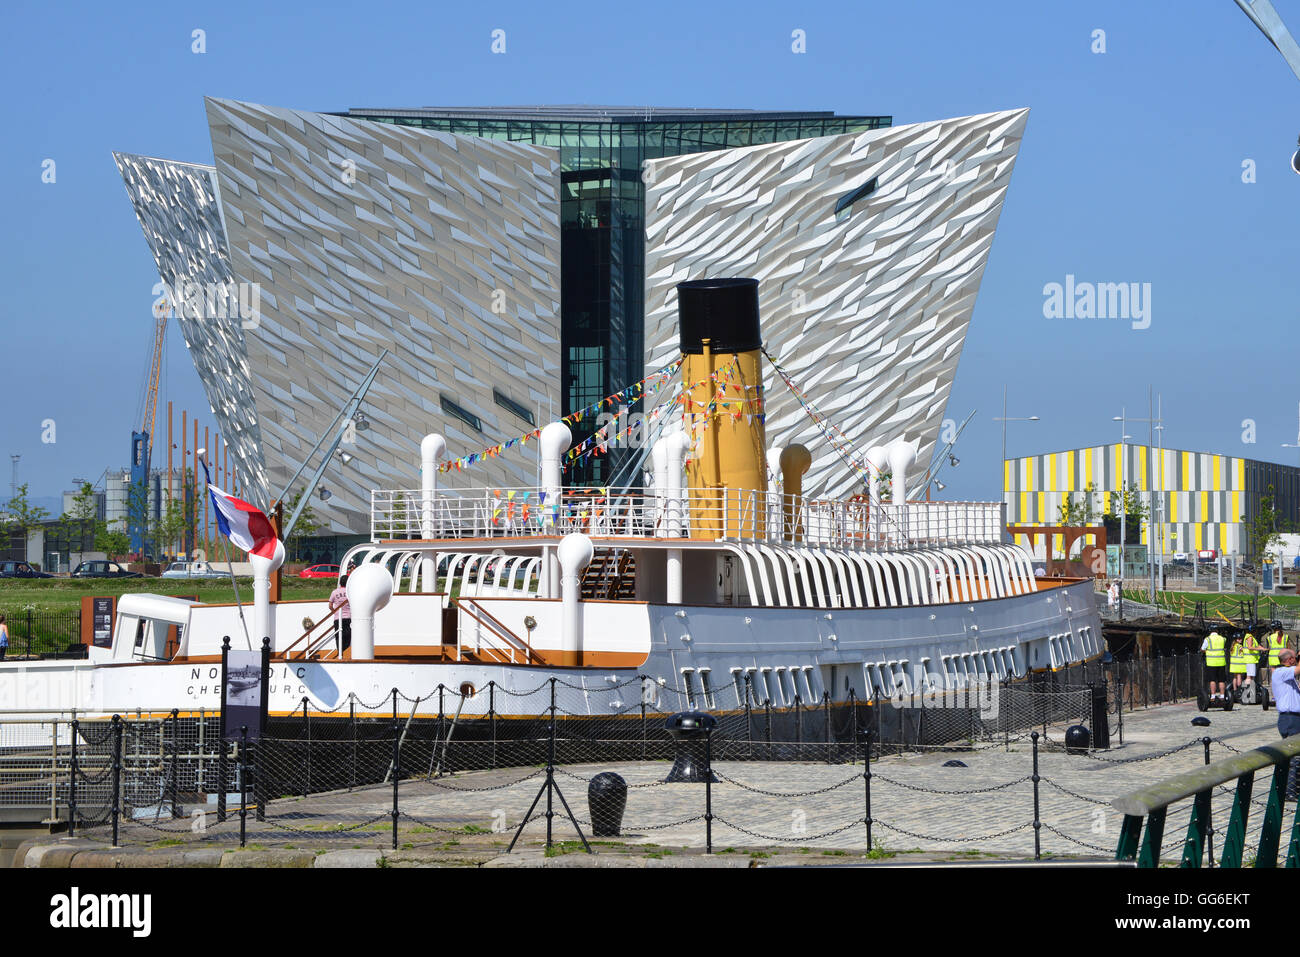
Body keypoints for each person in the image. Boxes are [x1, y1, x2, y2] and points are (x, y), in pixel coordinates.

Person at [1270, 648, 1300, 798]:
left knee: (1296, 753)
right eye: (1295, 658)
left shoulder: (1286, 674)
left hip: (1294, 717)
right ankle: (1289, 791)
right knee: (1294, 755)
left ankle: (1293, 788)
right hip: (1290, 718)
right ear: (1290, 660)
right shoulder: (1281, 672)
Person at [1201, 627, 1228, 701]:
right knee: (1221, 680)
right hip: (1221, 662)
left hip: (1211, 663)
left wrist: (1208, 652)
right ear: (1217, 631)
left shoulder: (1208, 639)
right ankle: (1222, 696)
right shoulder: (1223, 638)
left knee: (1212, 680)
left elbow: (1202, 649)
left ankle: (1213, 696)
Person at [329, 574, 351, 655]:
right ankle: (346, 652)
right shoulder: (350, 592)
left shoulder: (334, 592)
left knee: (338, 636)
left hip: (338, 618)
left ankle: (340, 653)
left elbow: (330, 605)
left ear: (340, 583)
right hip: (349, 617)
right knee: (348, 636)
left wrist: (335, 612)